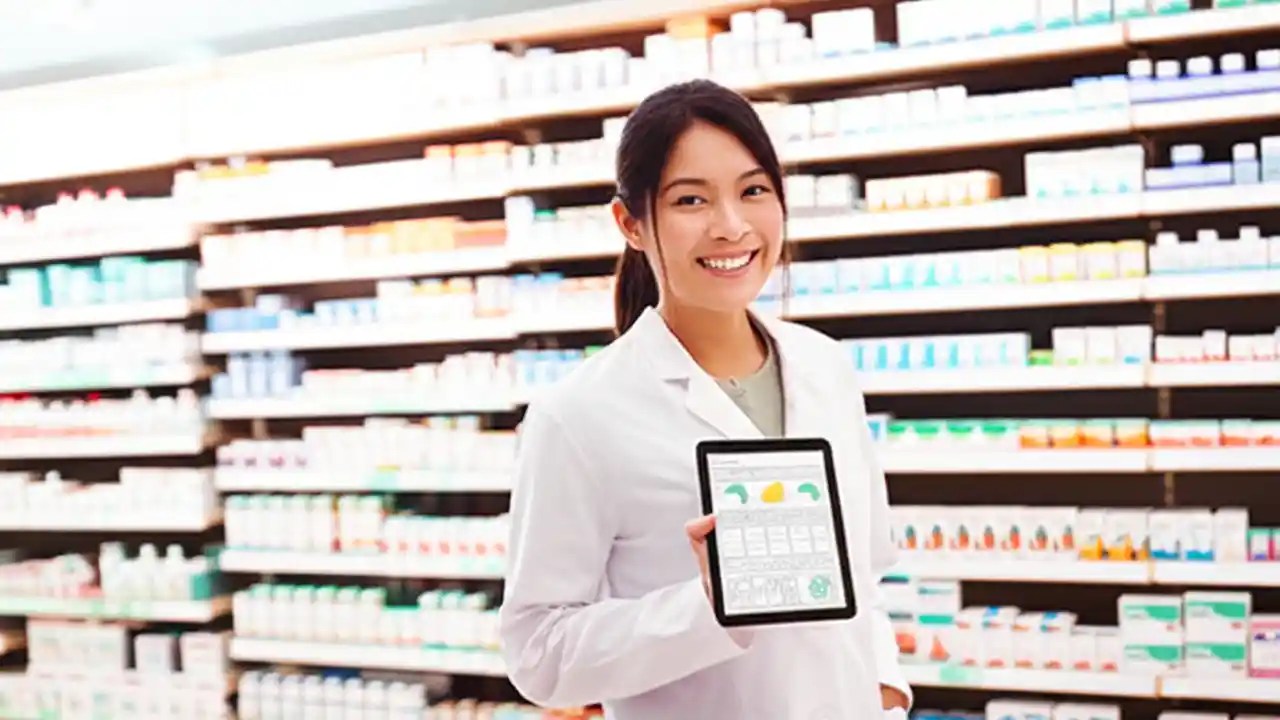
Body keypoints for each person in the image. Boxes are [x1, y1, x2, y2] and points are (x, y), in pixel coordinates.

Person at [499, 79, 911, 720]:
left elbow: (868, 573)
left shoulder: (826, 366)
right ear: (631, 224)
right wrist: (708, 608)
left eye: (753, 191)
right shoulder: (578, 415)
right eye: (691, 200)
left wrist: (884, 691)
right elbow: (539, 654)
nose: (731, 226)